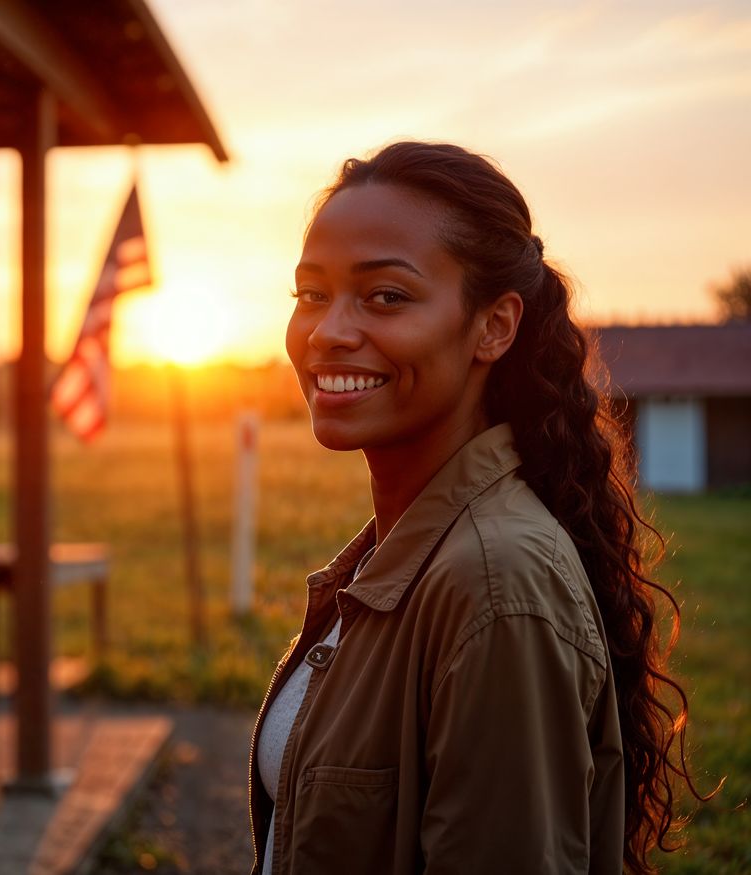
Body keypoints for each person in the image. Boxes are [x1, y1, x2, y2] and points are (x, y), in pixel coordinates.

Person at [250, 141, 710, 874]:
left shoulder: (494, 586)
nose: (329, 331)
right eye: (311, 294)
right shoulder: (405, 551)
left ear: (494, 326)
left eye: (386, 296)